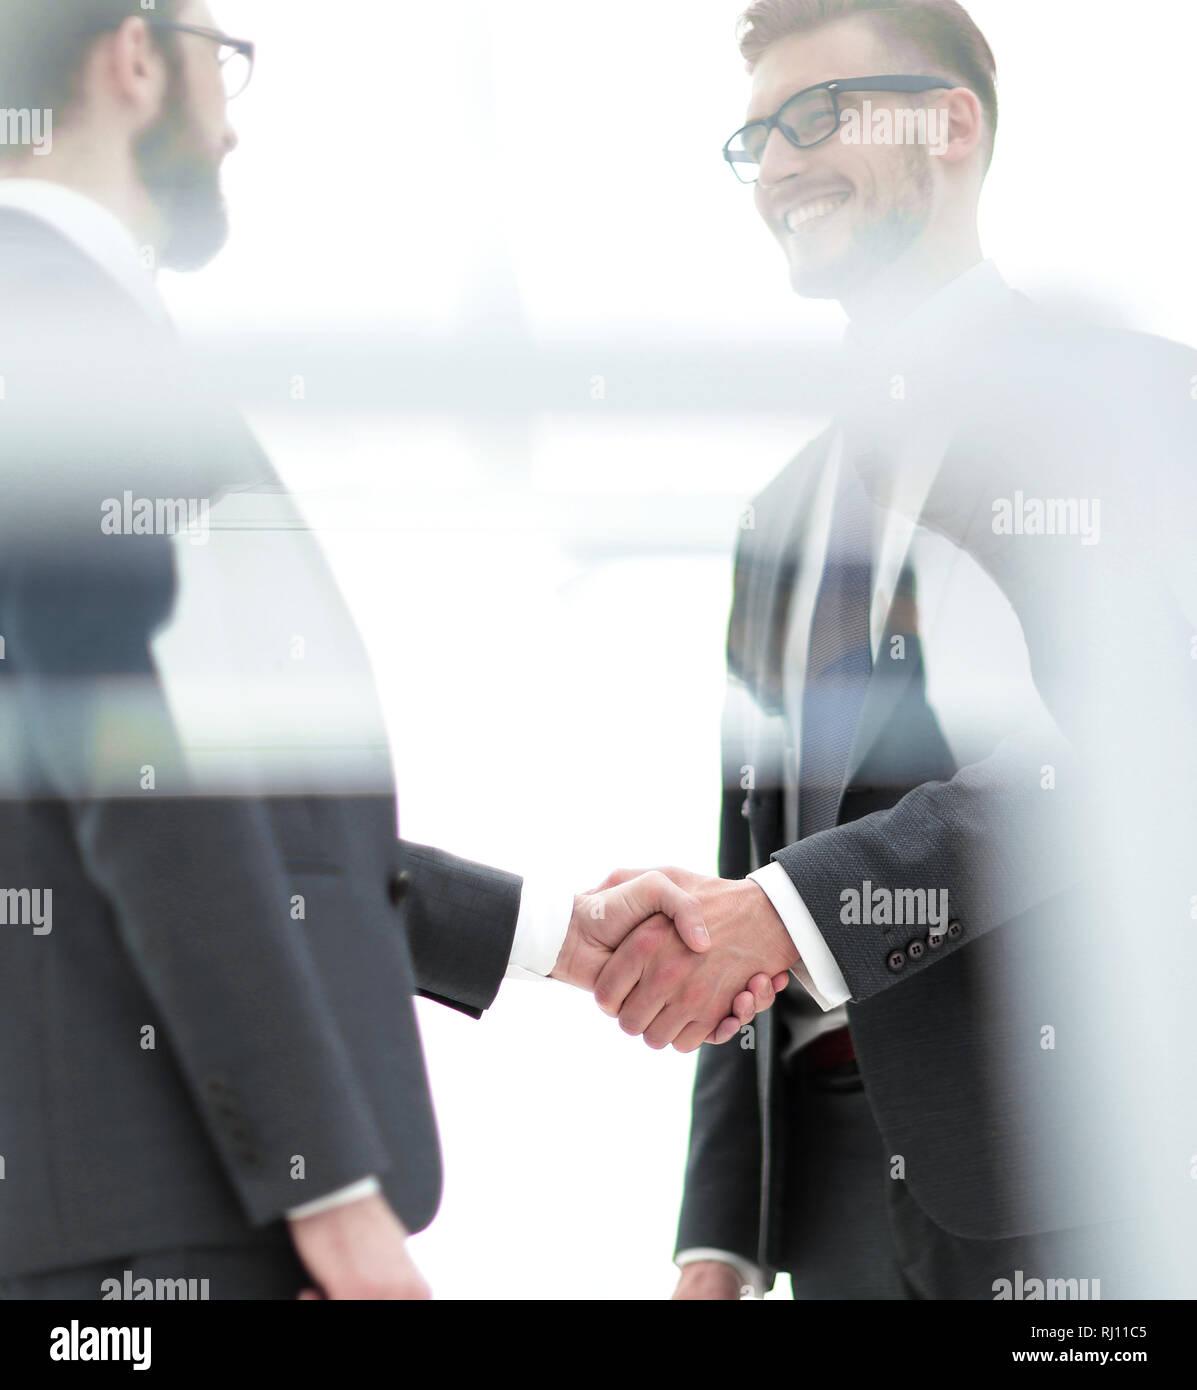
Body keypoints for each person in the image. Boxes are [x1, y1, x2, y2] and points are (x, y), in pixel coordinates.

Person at [0, 0, 789, 1301]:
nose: (236, 120)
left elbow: (201, 799)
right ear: (135, 56)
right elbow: (155, 800)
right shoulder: (57, 327)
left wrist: (561, 936)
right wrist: (333, 1197)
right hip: (149, 1231)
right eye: (220, 58)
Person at [589, 0, 1196, 1299]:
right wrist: (722, 1230)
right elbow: (745, 857)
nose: (779, 166)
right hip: (826, 1205)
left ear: (951, 126)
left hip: (1068, 1175)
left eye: (816, 117)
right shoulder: (778, 510)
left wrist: (791, 910)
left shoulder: (1136, 404)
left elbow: (1133, 760)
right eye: (755, 138)